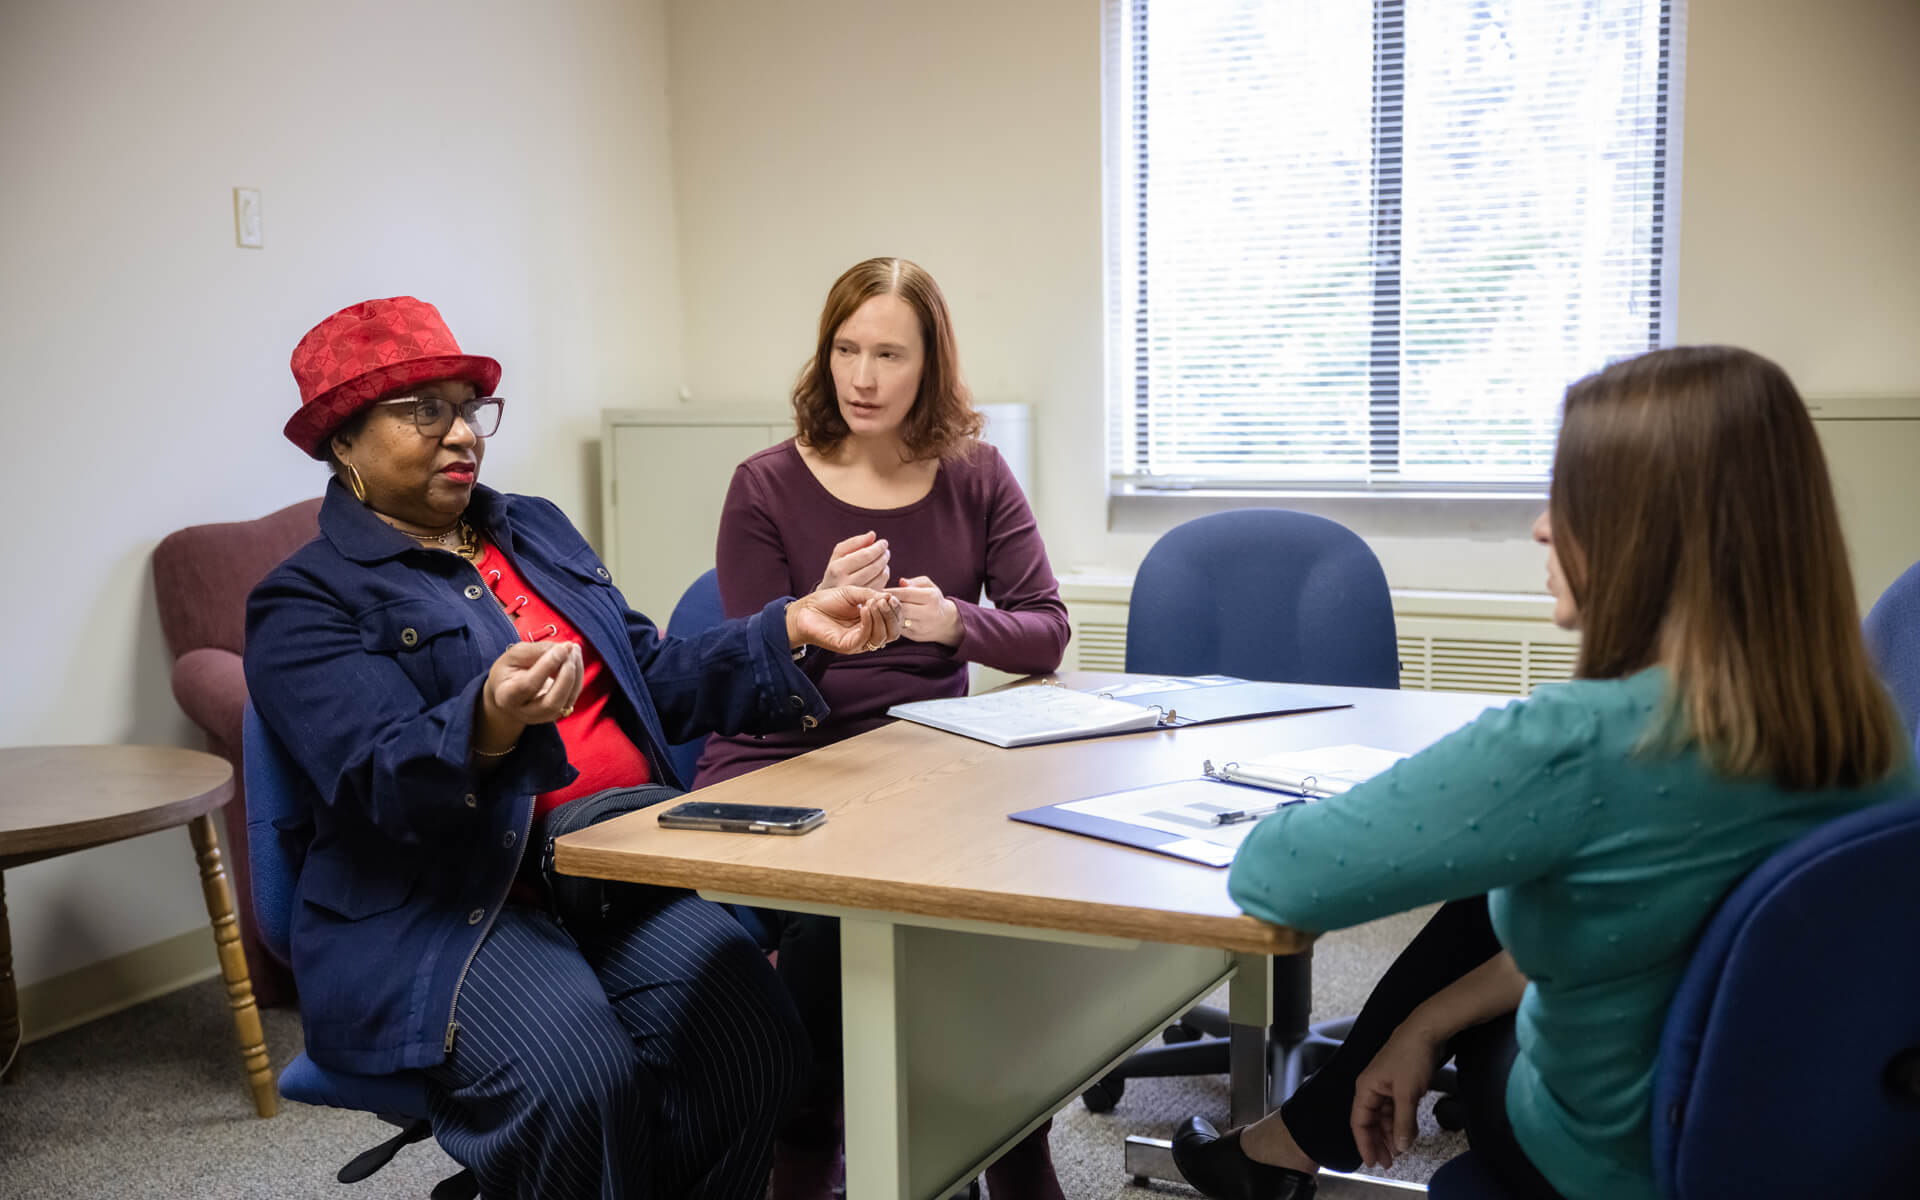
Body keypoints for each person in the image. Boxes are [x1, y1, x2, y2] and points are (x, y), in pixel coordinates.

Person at [1172, 345, 1914, 1200]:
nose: (1540, 526)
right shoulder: (1874, 735)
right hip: (1803, 1138)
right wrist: (1424, 1021)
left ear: (1643, 530)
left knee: (1506, 874)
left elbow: (1279, 876)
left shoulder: (1576, 743)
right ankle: (1299, 1135)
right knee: (1523, 880)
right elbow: (1666, 925)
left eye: (1568, 495)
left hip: (1605, 1158)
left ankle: (1292, 1140)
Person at [244, 296, 904, 1200]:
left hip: (616, 871)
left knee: (757, 1041)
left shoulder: (534, 528)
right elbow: (372, 781)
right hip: (459, 906)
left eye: (468, 410)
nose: (461, 435)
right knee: (582, 1087)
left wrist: (791, 626)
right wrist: (488, 720)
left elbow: (656, 676)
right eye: (422, 412)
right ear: (343, 441)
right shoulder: (302, 602)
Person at [692, 257, 1072, 1199]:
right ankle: (808, 1154)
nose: (861, 377)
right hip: (785, 760)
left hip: (922, 765)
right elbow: (745, 677)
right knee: (839, 926)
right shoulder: (765, 485)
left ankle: (1014, 1137)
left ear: (929, 365)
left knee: (1020, 904)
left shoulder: (976, 475)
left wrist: (954, 623)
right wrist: (816, 622)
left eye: (889, 354)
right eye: (845, 349)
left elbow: (1047, 631)